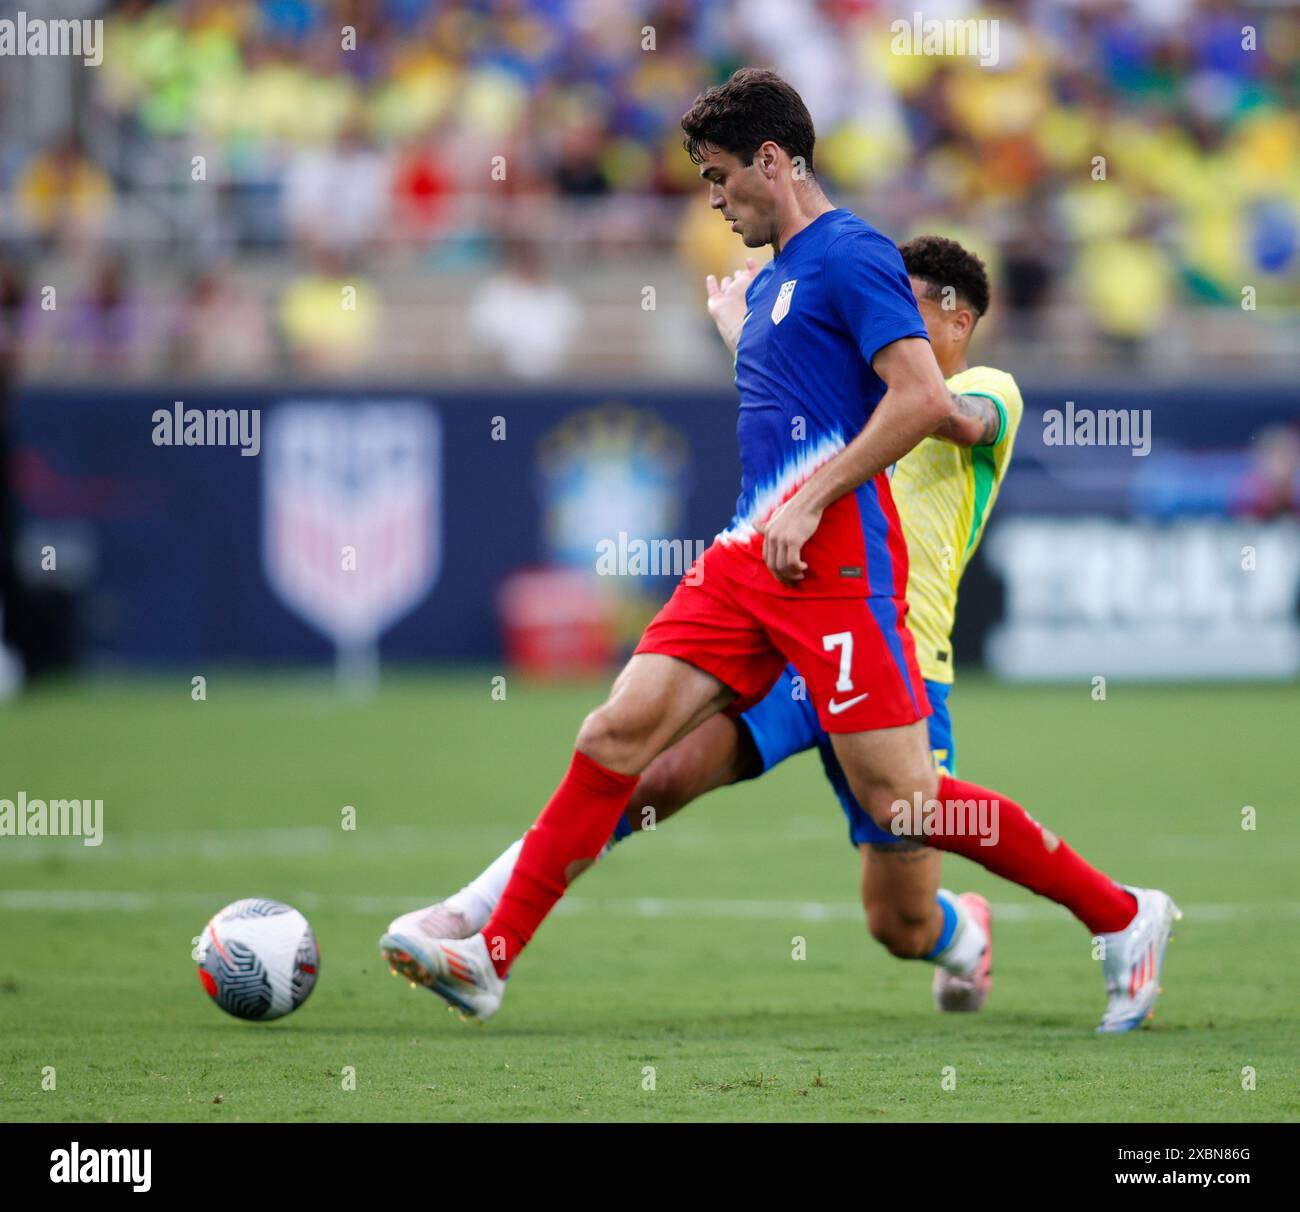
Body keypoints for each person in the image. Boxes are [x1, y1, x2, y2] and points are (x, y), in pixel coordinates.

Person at [381, 69, 1177, 1033]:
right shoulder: (772, 286)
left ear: (772, 160)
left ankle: (1122, 915)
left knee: (908, 809)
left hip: (838, 572)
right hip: (747, 563)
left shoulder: (853, 253)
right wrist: (748, 341)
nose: (714, 200)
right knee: (616, 738)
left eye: (720, 177)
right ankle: (489, 953)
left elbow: (923, 400)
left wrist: (814, 500)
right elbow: (806, 406)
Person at [392, 234, 1018, 1014]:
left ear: (957, 320)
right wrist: (754, 337)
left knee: (900, 921)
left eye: (906, 307)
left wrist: (851, 362)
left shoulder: (981, 388)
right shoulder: (866, 382)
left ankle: (973, 930)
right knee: (650, 774)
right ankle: (474, 919)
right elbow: (798, 397)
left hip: (897, 660)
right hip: (795, 637)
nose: (884, 320)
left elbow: (950, 415)